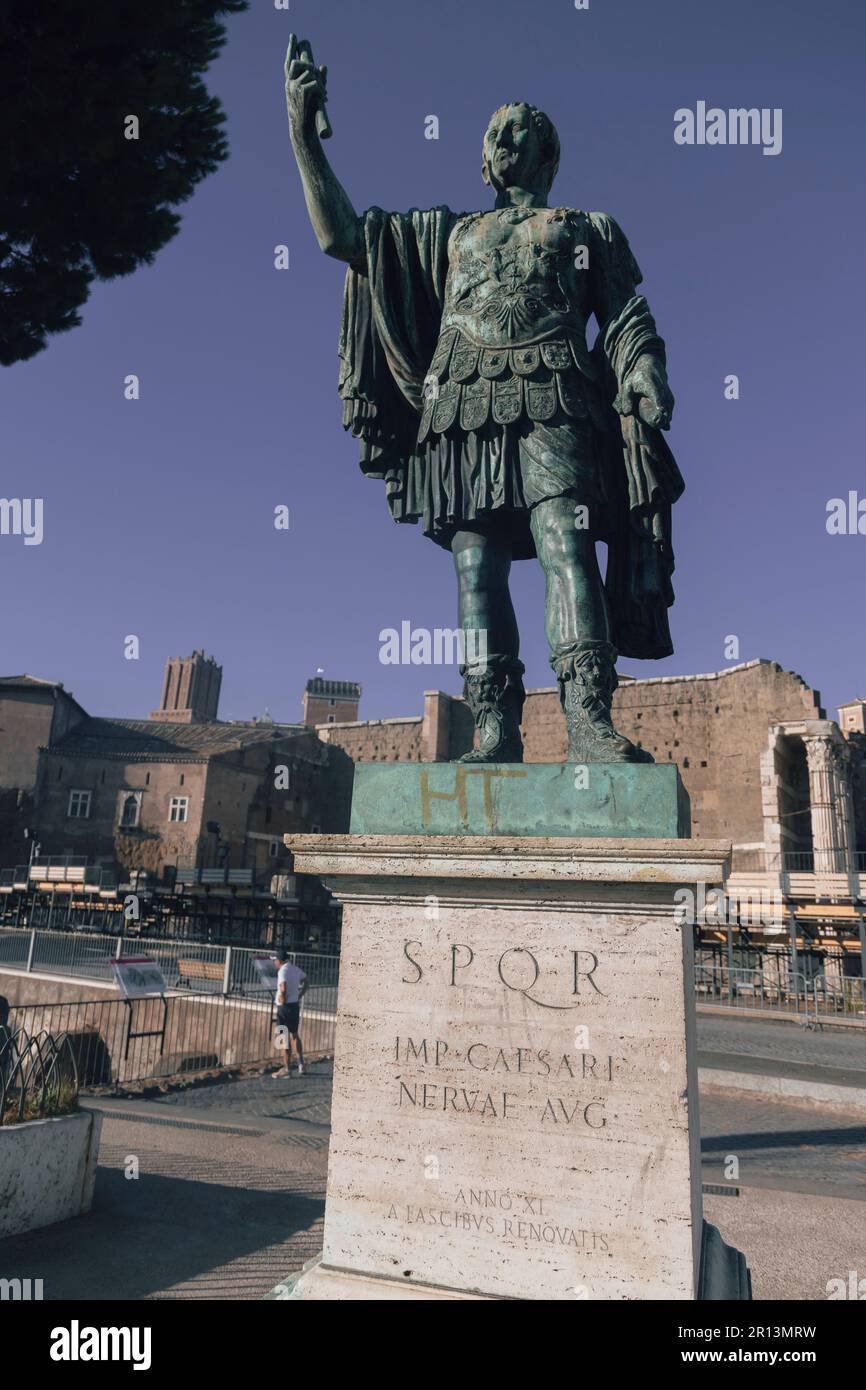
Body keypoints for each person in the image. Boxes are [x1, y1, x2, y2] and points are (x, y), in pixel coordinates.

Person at [285, 39, 683, 764]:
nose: (501, 142)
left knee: (566, 539)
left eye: (516, 131)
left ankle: (589, 720)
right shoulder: (448, 233)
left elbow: (627, 316)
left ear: (546, 154)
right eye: (492, 134)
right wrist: (303, 137)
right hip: (462, 403)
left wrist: (644, 369)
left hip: (557, 393)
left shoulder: (585, 228)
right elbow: (342, 237)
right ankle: (495, 723)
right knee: (476, 564)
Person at [271, 949, 307, 1079]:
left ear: (279, 961)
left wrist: (283, 998)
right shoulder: (294, 969)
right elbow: (306, 980)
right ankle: (301, 1064)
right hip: (294, 1006)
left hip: (284, 1008)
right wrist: (300, 994)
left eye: (275, 960)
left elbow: (283, 987)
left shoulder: (282, 971)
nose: (274, 962)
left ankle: (286, 1068)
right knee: (295, 1035)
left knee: (282, 1038)